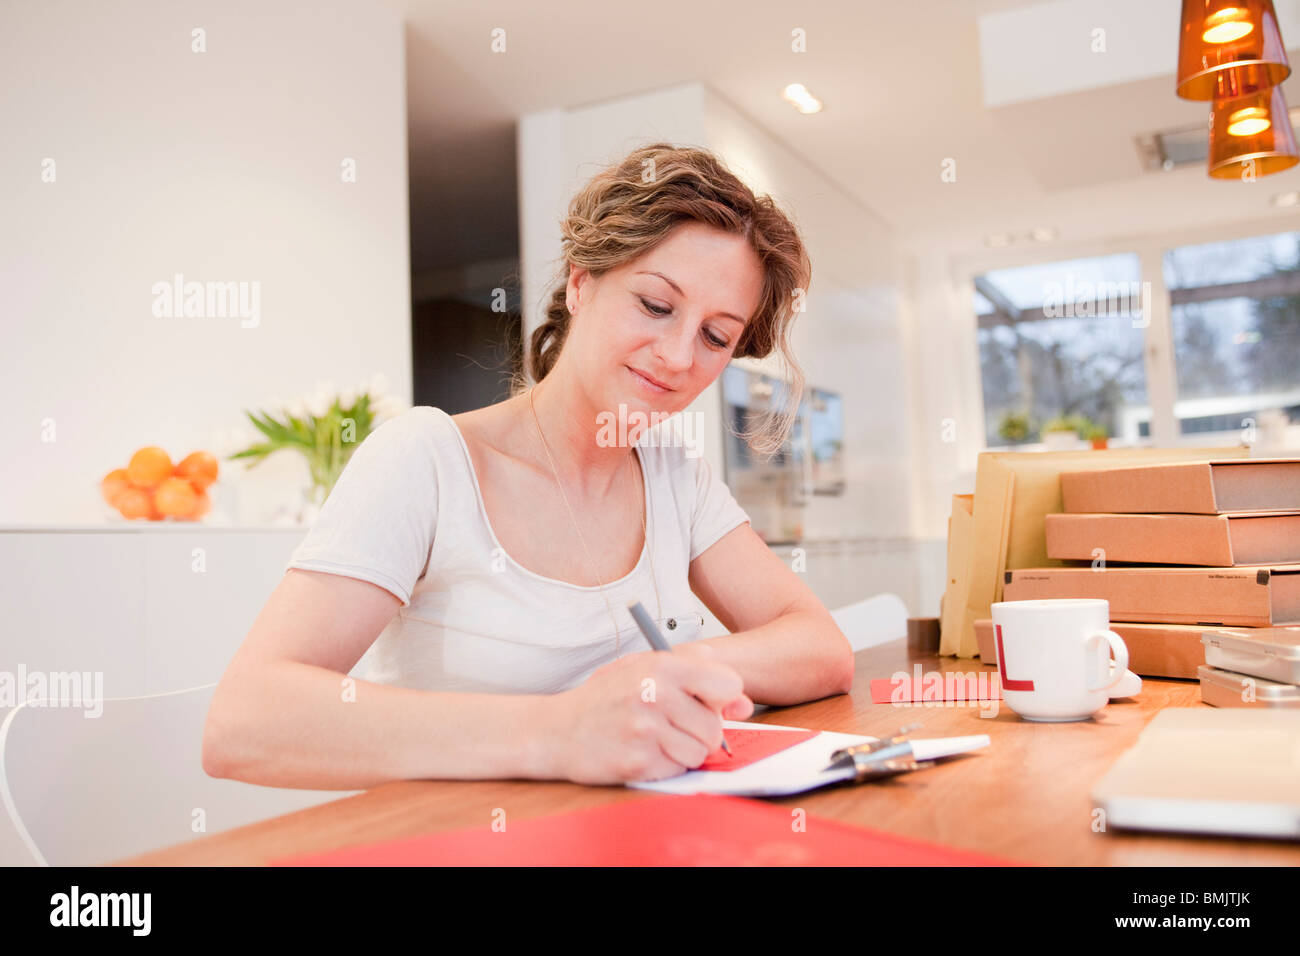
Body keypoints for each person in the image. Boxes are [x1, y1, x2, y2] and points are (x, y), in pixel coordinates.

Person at [201, 142, 855, 791]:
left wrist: (671, 673)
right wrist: (560, 730)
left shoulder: (671, 474)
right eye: (656, 305)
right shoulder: (425, 460)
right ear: (579, 282)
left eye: (716, 336)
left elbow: (820, 647)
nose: (681, 356)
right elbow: (244, 721)